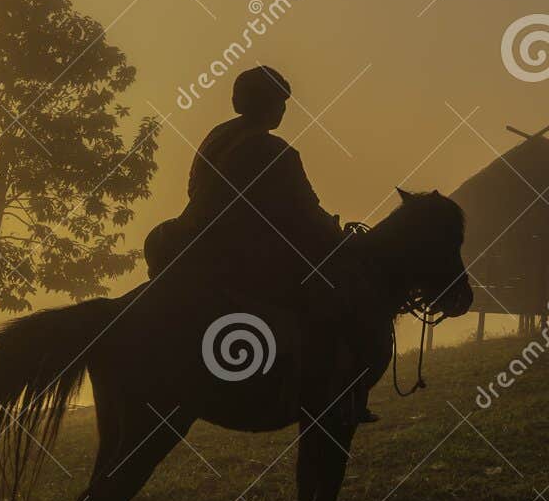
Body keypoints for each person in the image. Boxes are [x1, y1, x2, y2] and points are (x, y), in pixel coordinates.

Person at [145, 66, 380, 423]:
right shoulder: (276, 152)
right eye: (280, 102)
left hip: (191, 241)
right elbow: (305, 212)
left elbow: (200, 192)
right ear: (265, 103)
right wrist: (337, 235)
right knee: (334, 294)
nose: (284, 110)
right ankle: (335, 393)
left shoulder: (218, 136)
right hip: (241, 255)